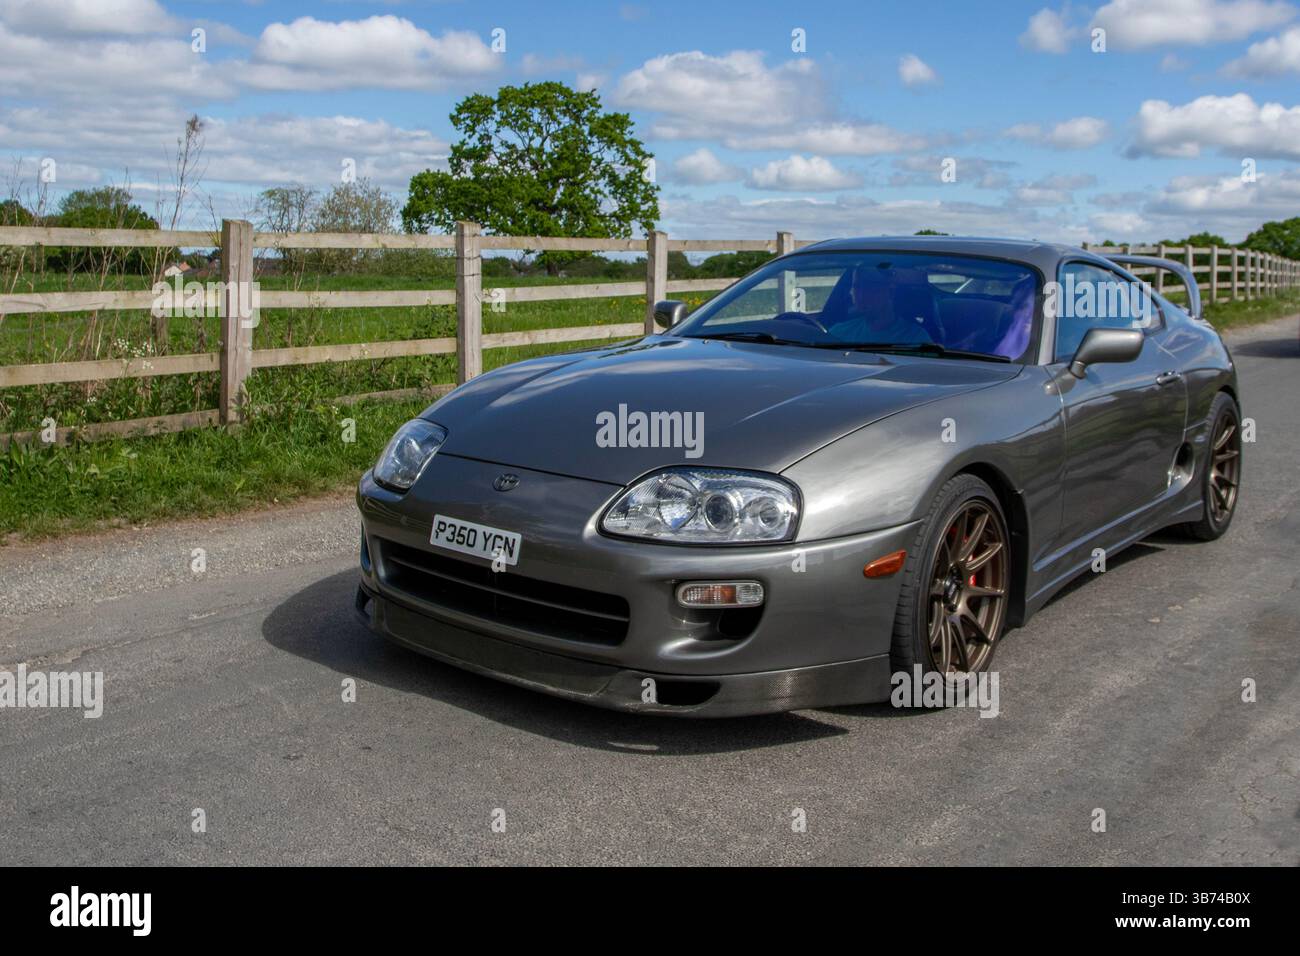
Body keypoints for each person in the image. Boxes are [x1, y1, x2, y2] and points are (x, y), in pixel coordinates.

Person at [825, 264, 934, 345]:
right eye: (857, 287)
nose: (861, 295)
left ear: (890, 292)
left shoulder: (915, 338)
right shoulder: (839, 332)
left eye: (870, 288)